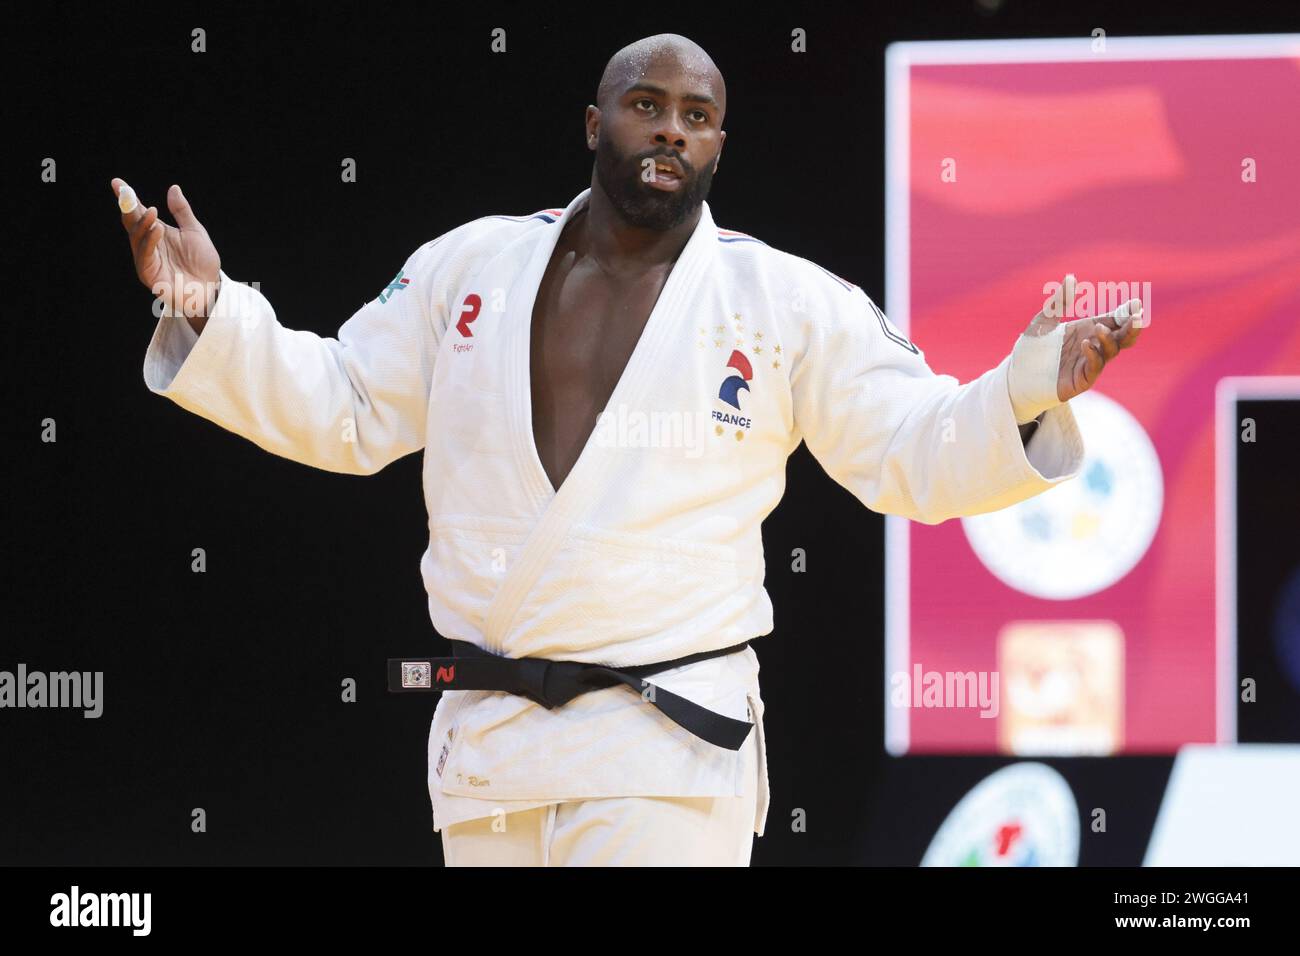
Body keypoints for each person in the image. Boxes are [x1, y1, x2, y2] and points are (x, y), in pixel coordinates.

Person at [114, 33, 1143, 866]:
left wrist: (1023, 388)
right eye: (647, 104)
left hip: (668, 744)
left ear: (720, 147)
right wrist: (210, 314)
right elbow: (342, 406)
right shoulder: (471, 267)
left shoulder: (779, 300)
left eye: (697, 118)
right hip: (492, 745)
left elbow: (907, 447)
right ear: (593, 122)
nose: (669, 131)